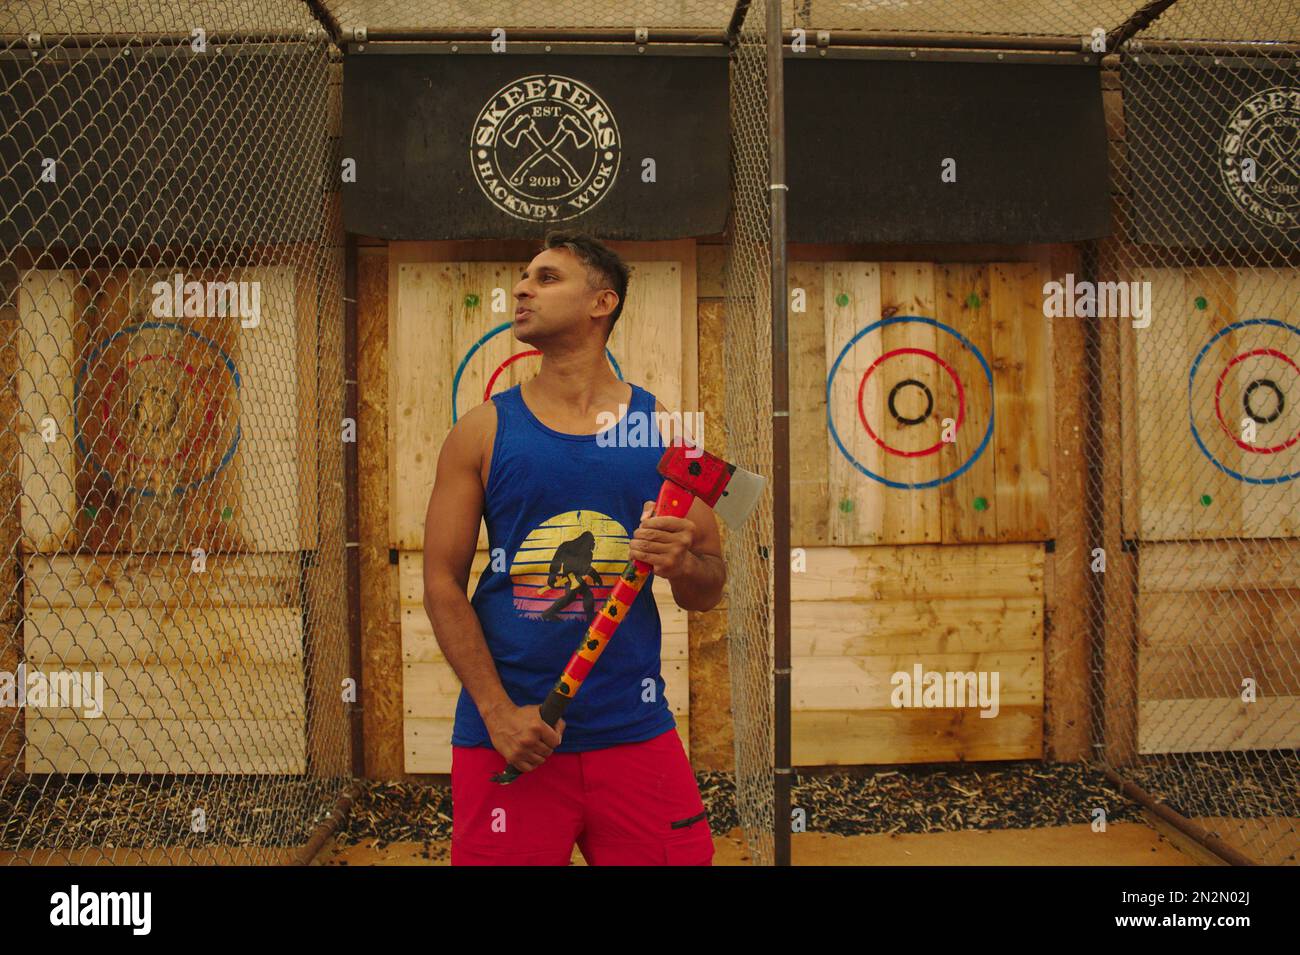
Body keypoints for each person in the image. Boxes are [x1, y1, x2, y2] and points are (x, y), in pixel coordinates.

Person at [422, 231, 726, 866]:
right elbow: (441, 584)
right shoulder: (481, 430)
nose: (523, 288)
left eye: (548, 277)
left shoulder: (661, 428)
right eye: (524, 276)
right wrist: (498, 713)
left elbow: (708, 587)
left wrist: (681, 561)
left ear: (601, 303)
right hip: (512, 737)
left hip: (632, 731)